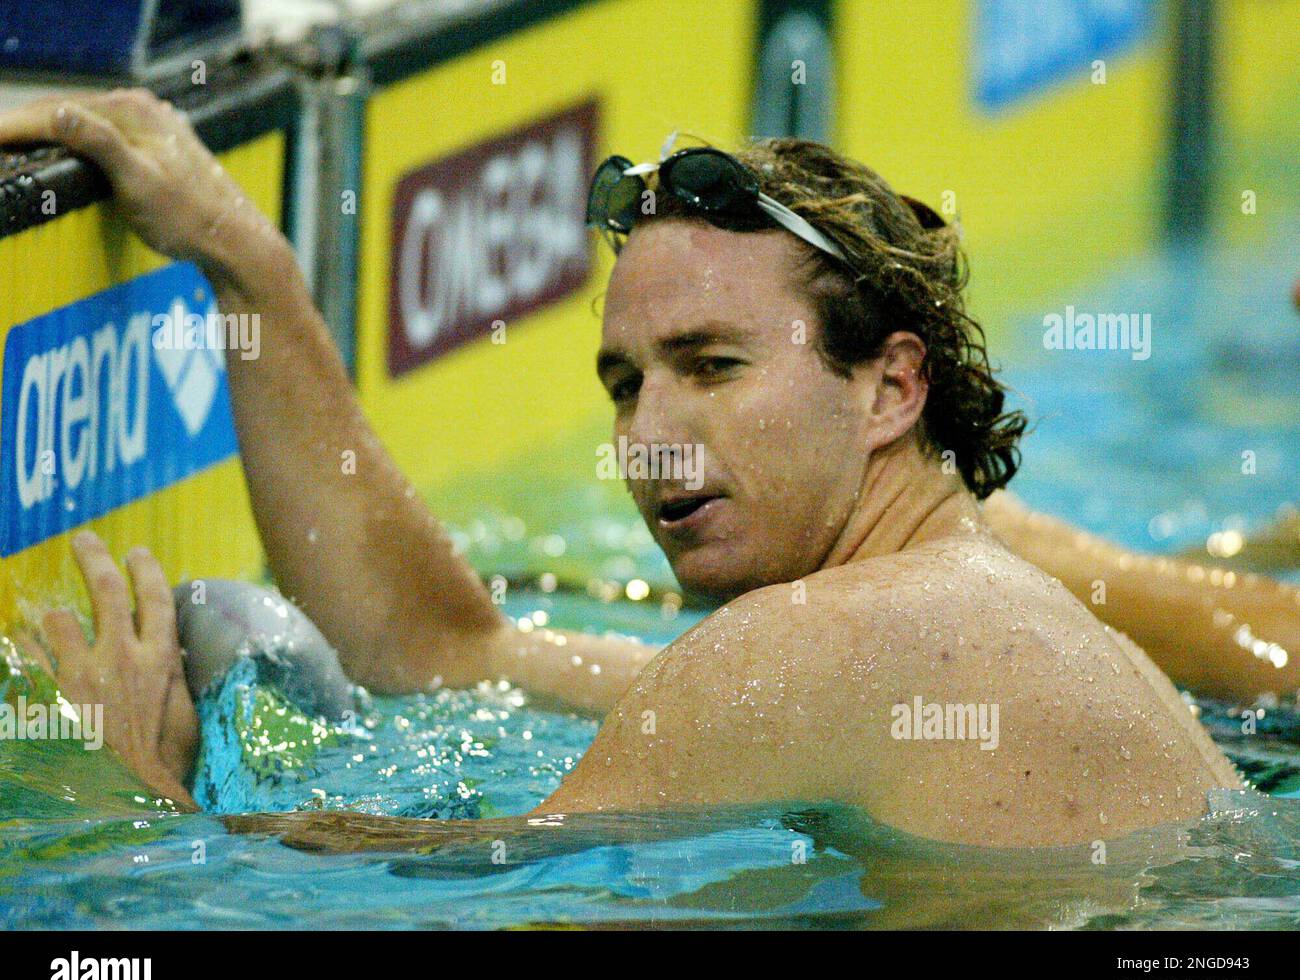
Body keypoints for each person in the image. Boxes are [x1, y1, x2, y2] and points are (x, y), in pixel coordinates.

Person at [5, 89, 1290, 851]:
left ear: (890, 387)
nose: (648, 438)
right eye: (627, 384)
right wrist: (243, 262)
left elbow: (448, 906)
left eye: (714, 365)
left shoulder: (822, 645)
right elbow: (445, 646)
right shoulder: (920, 615)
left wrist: (144, 802)